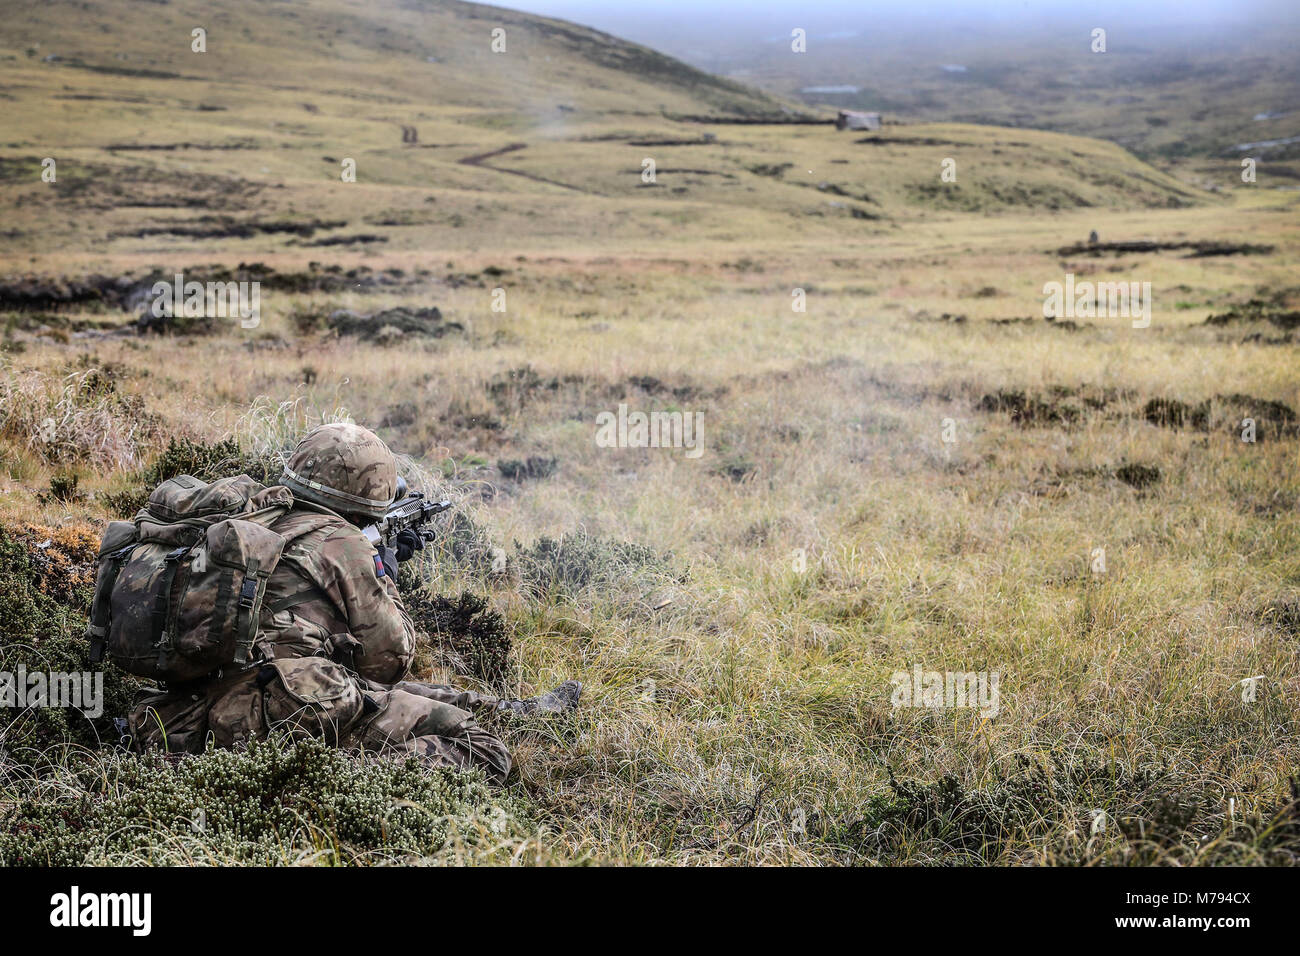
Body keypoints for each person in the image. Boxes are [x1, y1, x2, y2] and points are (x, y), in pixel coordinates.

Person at [129, 422, 579, 783]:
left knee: (389, 698)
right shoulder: (340, 541)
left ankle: (517, 711)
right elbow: (389, 662)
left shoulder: (256, 517)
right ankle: (324, 780)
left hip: (187, 706)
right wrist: (384, 572)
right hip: (276, 713)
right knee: (484, 751)